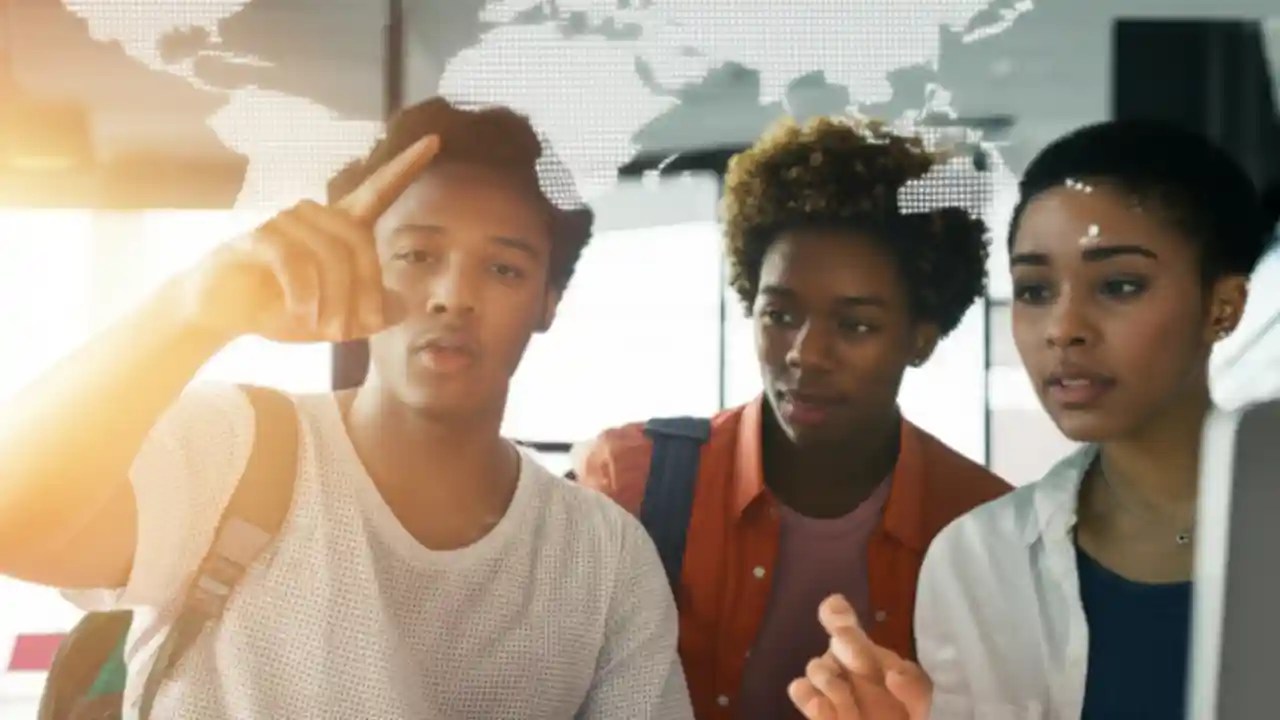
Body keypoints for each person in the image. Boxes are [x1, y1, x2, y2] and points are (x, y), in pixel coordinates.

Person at [0, 98, 693, 719]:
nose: (453, 295)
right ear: (361, 261)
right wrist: (193, 312)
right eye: (419, 254)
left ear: (547, 303)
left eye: (504, 268)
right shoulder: (232, 449)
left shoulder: (602, 556)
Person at [788, 120, 1280, 719]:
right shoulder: (980, 561)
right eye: (1035, 290)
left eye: (1120, 285)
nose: (1062, 328)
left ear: (1223, 306)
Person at [575, 115, 1011, 719]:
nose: (805, 353)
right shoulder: (633, 483)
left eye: (855, 325)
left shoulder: (988, 529)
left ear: (922, 338)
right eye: (780, 315)